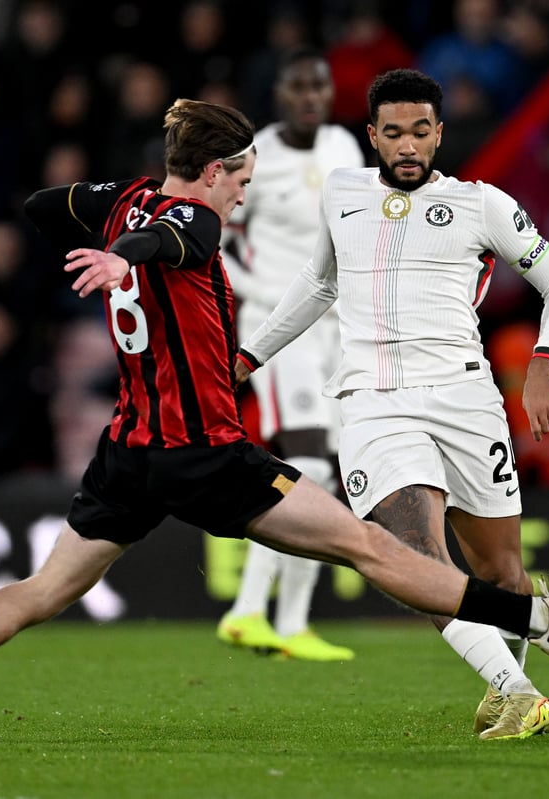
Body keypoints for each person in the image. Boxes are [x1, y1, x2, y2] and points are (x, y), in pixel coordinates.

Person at [0, 97, 549, 750]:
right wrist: (132, 253)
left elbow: (41, 207)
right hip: (204, 453)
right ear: (214, 171)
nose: (244, 197)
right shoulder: (195, 225)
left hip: (126, 451)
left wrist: (108, 232)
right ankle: (537, 618)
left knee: (40, 590)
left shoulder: (123, 200)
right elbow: (182, 234)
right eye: (242, 181)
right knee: (369, 544)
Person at [235, 69, 549, 741]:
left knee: (502, 571)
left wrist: (542, 368)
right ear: (372, 136)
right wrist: (246, 357)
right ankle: (518, 687)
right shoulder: (342, 195)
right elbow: (317, 284)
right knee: (415, 554)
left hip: (467, 395)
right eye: (392, 133)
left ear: (438, 134)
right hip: (372, 400)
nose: (407, 146)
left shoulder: (483, 204)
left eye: (419, 132)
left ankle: (512, 687)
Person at [215, 49, 364, 663]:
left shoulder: (344, 148)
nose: (310, 96)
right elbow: (215, 237)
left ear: (330, 94)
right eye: (299, 86)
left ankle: (288, 622)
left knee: (326, 471)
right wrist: (264, 300)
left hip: (333, 329)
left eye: (319, 87)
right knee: (305, 457)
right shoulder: (255, 158)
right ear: (280, 93)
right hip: (276, 331)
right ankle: (250, 611)